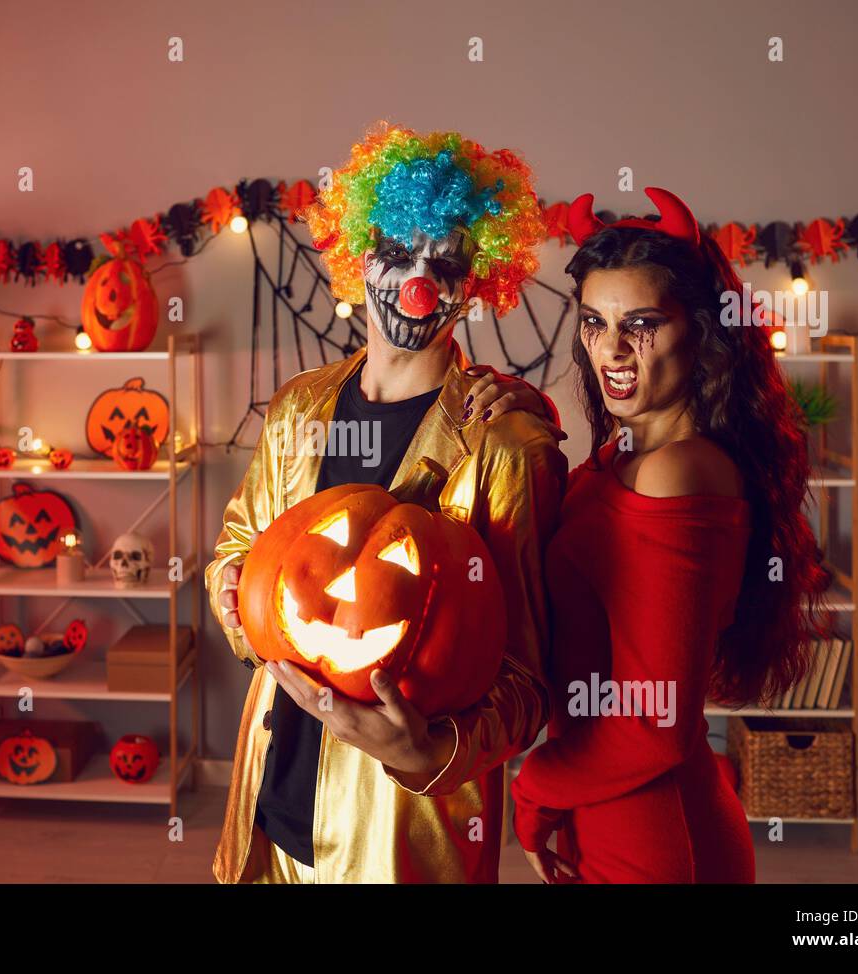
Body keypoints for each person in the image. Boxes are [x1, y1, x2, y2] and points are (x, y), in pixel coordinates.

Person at [204, 123, 566, 883]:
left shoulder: (504, 445)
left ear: (478, 281)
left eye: (445, 262)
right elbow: (240, 547)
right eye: (397, 252)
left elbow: (529, 682)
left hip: (396, 834)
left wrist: (427, 751)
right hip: (269, 810)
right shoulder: (299, 406)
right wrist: (233, 599)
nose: (417, 282)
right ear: (356, 257)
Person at [478, 189, 827, 883]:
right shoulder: (626, 456)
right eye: (594, 323)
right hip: (605, 812)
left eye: (641, 323)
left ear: (701, 332)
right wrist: (533, 412)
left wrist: (532, 788)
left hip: (655, 837)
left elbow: (654, 724)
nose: (611, 348)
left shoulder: (679, 473)